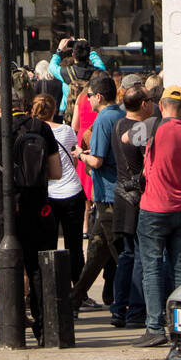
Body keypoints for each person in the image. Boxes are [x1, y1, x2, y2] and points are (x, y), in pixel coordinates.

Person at [0, 75, 60, 347]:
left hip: (2, 208)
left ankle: (9, 330)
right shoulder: (42, 128)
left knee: (6, 267)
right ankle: (44, 331)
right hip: (37, 207)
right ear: (22, 103)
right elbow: (56, 172)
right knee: (36, 267)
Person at [134, 85, 181, 347]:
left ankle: (154, 327)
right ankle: (179, 324)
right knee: (178, 266)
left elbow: (128, 138)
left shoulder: (155, 127)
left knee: (151, 267)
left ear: (161, 106)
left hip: (154, 207)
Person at [69, 72, 124, 315]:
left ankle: (130, 305)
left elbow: (98, 161)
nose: (88, 100)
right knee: (97, 250)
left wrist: (80, 154)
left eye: (89, 96)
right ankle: (75, 298)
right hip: (117, 193)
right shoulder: (123, 114)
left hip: (107, 196)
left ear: (99, 96)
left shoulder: (104, 119)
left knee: (120, 254)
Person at [110, 84, 158, 329]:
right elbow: (146, 165)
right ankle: (136, 310)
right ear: (143, 104)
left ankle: (119, 309)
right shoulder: (140, 129)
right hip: (136, 198)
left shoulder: (118, 124)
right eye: (150, 99)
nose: (153, 103)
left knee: (127, 256)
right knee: (140, 255)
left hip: (121, 195)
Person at [32, 92, 84, 285]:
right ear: (54, 110)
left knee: (48, 245)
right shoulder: (66, 130)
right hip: (72, 190)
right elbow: (74, 157)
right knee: (75, 245)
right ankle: (79, 290)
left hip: (48, 193)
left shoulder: (33, 133)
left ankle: (51, 288)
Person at [49, 37, 106, 115]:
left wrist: (59, 51)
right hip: (89, 110)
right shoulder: (96, 72)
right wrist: (90, 50)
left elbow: (52, 66)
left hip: (67, 112)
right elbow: (101, 67)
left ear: (73, 55)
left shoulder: (66, 72)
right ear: (88, 55)